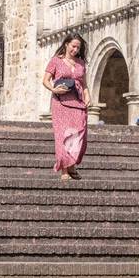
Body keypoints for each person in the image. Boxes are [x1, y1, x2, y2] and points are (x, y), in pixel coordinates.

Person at [43, 34, 89, 182]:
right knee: (63, 135)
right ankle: (64, 169)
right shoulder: (56, 61)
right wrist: (54, 90)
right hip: (61, 103)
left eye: (78, 47)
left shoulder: (81, 63)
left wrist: (88, 96)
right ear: (66, 44)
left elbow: (84, 84)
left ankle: (72, 164)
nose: (75, 49)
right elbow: (45, 80)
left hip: (78, 102)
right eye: (73, 46)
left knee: (78, 134)